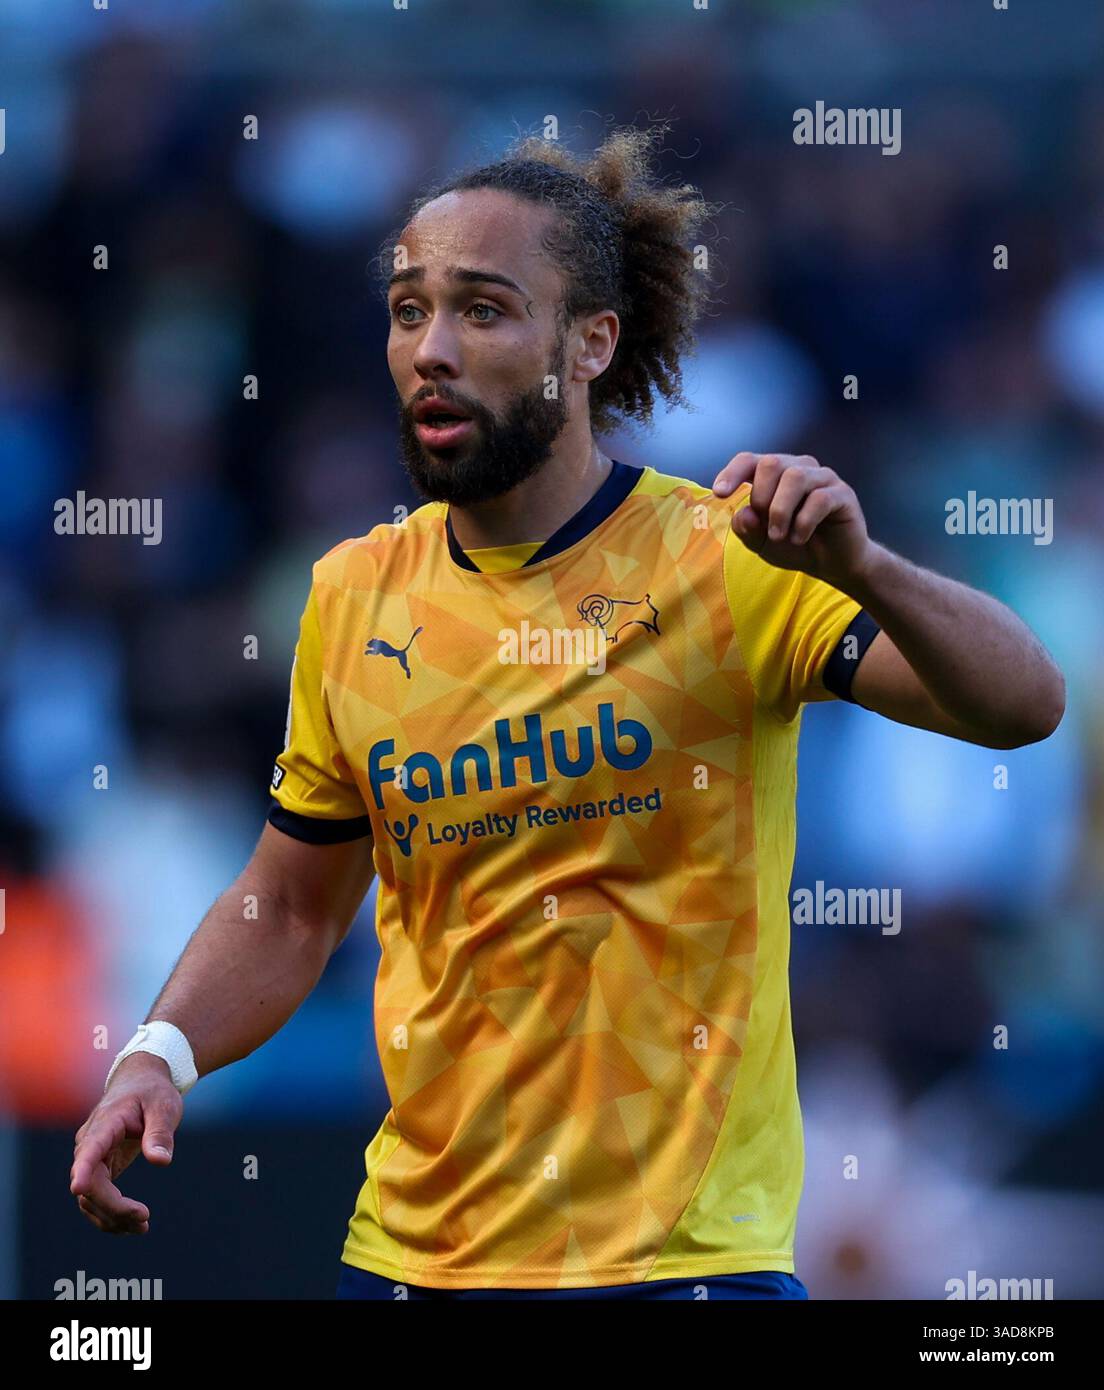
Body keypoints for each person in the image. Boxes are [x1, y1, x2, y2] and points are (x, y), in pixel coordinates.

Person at [70, 125, 1065, 1301]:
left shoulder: (724, 557)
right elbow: (290, 906)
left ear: (590, 342)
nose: (431, 349)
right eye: (407, 309)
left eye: (483, 310)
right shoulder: (351, 596)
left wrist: (869, 568)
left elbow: (1024, 704)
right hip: (411, 1264)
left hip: (680, 1268)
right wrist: (159, 1053)